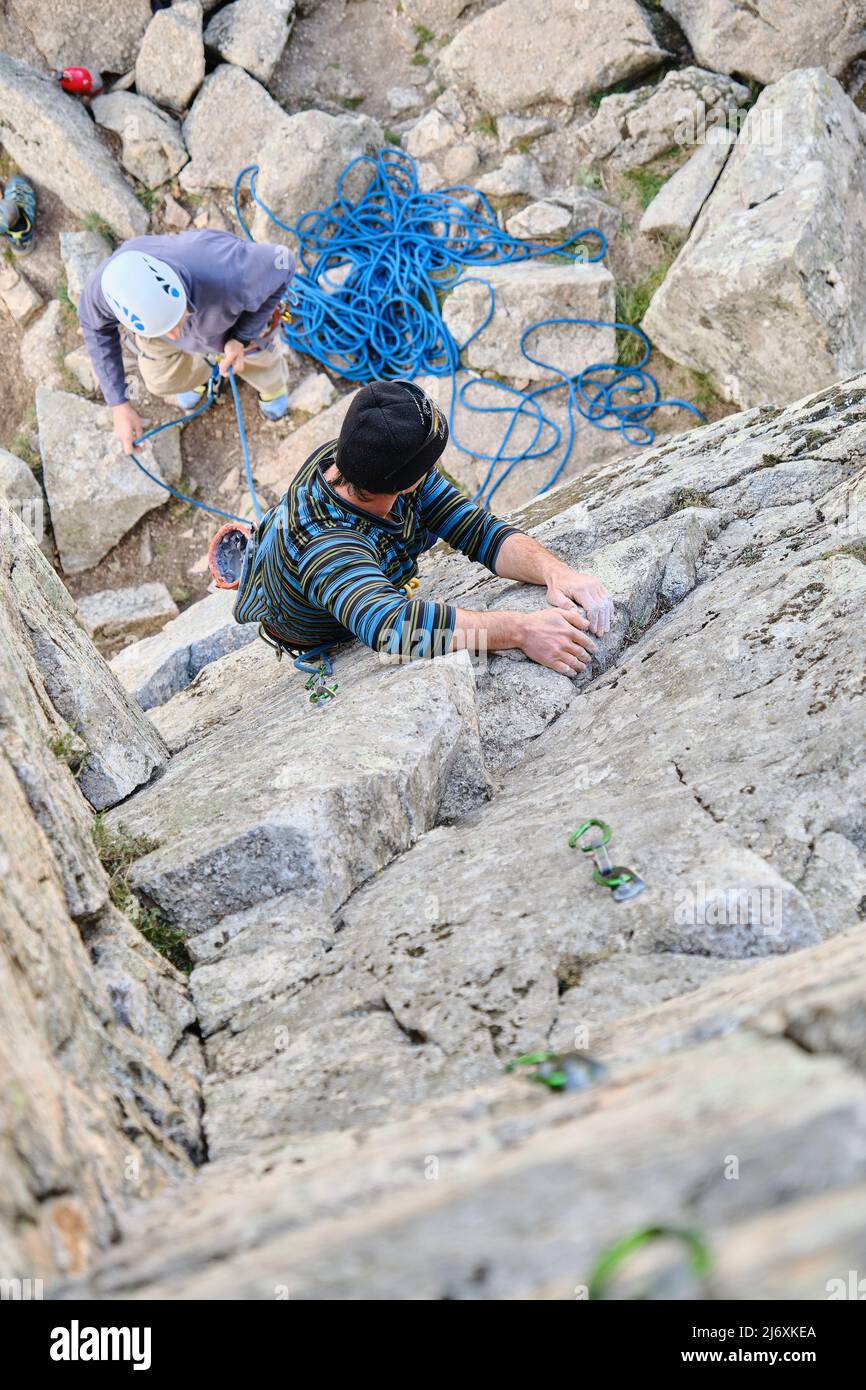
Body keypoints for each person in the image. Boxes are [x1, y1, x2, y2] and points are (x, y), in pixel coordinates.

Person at [232, 379, 614, 673]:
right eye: (427, 466)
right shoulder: (326, 545)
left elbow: (474, 529)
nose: (434, 471)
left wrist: (554, 571)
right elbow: (393, 629)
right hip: (317, 625)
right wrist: (520, 631)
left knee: (431, 522)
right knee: (403, 550)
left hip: (357, 545)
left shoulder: (363, 456)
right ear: (405, 481)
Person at [78, 229, 296, 455]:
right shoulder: (107, 289)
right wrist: (118, 404)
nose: (174, 335)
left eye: (174, 321)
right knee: (160, 379)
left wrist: (241, 337)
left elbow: (284, 262)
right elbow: (94, 327)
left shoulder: (230, 272)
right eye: (166, 327)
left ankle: (272, 385)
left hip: (224, 314)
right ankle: (203, 373)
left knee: (258, 353)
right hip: (156, 332)